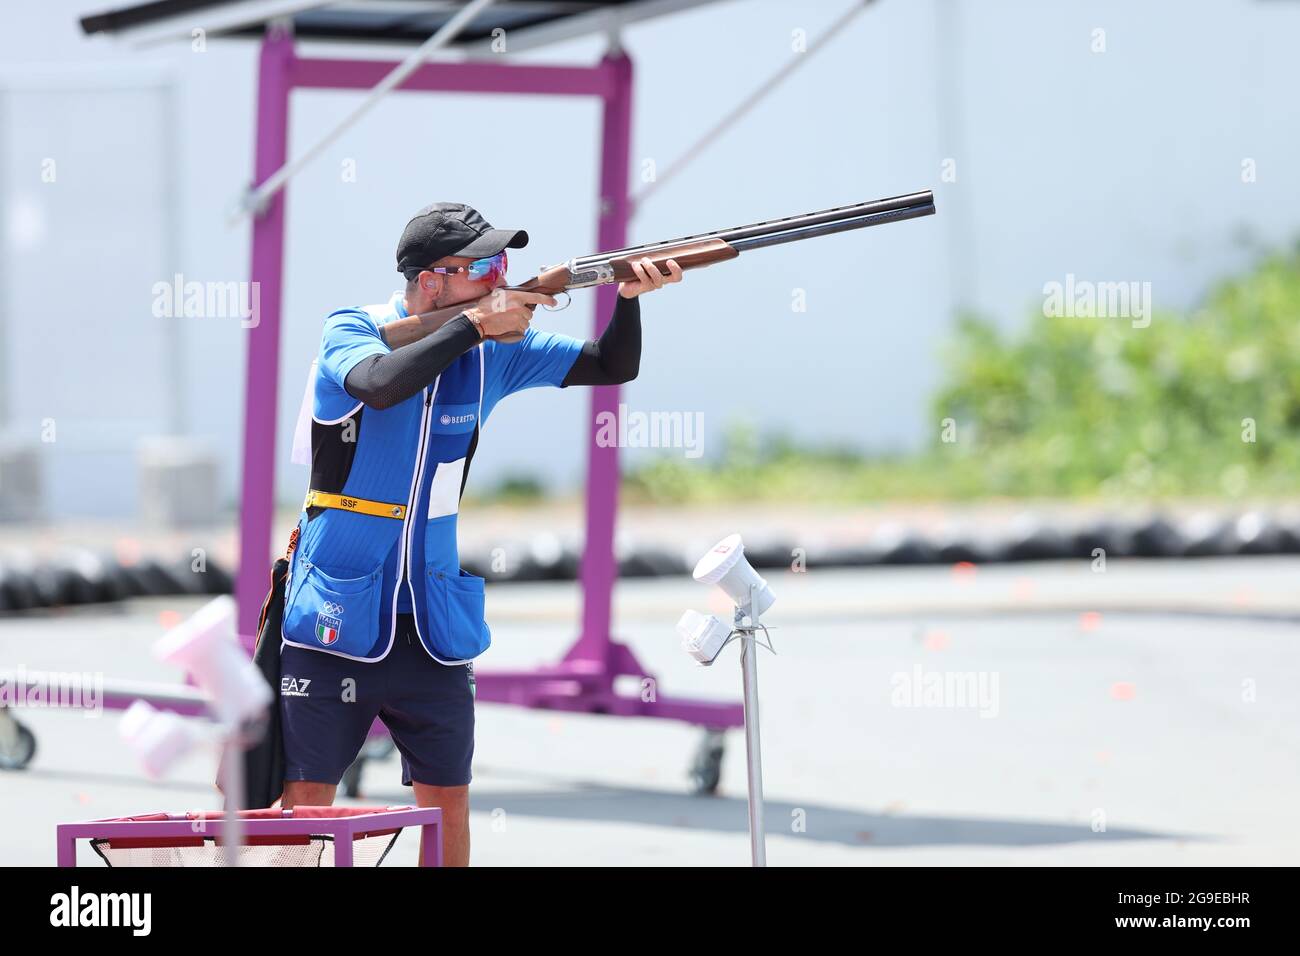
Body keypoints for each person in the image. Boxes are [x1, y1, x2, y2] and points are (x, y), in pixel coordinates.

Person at [277, 202, 682, 865]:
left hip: (434, 623)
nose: (500, 278)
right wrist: (471, 327)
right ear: (430, 282)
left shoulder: (496, 353)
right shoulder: (354, 329)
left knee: (447, 810)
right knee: (306, 809)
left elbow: (611, 364)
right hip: (335, 617)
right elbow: (378, 385)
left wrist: (629, 299)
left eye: (504, 265)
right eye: (483, 267)